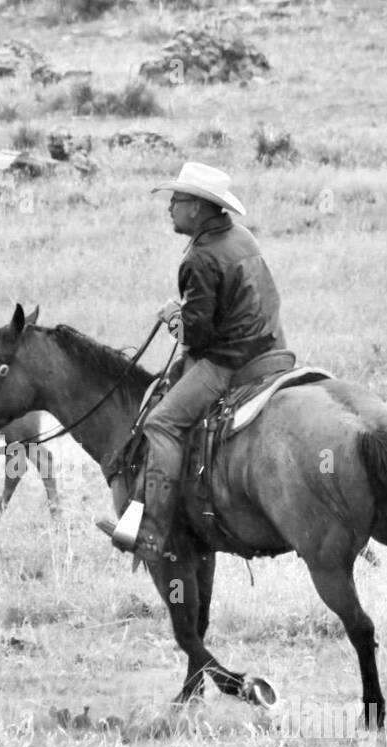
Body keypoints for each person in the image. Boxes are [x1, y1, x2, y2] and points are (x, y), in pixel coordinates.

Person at [111, 162, 287, 563]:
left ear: (199, 207)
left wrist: (175, 316)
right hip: (272, 350)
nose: (169, 206)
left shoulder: (201, 258)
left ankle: (154, 530)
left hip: (228, 363)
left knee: (162, 422)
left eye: (177, 199)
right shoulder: (240, 237)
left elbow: (199, 336)